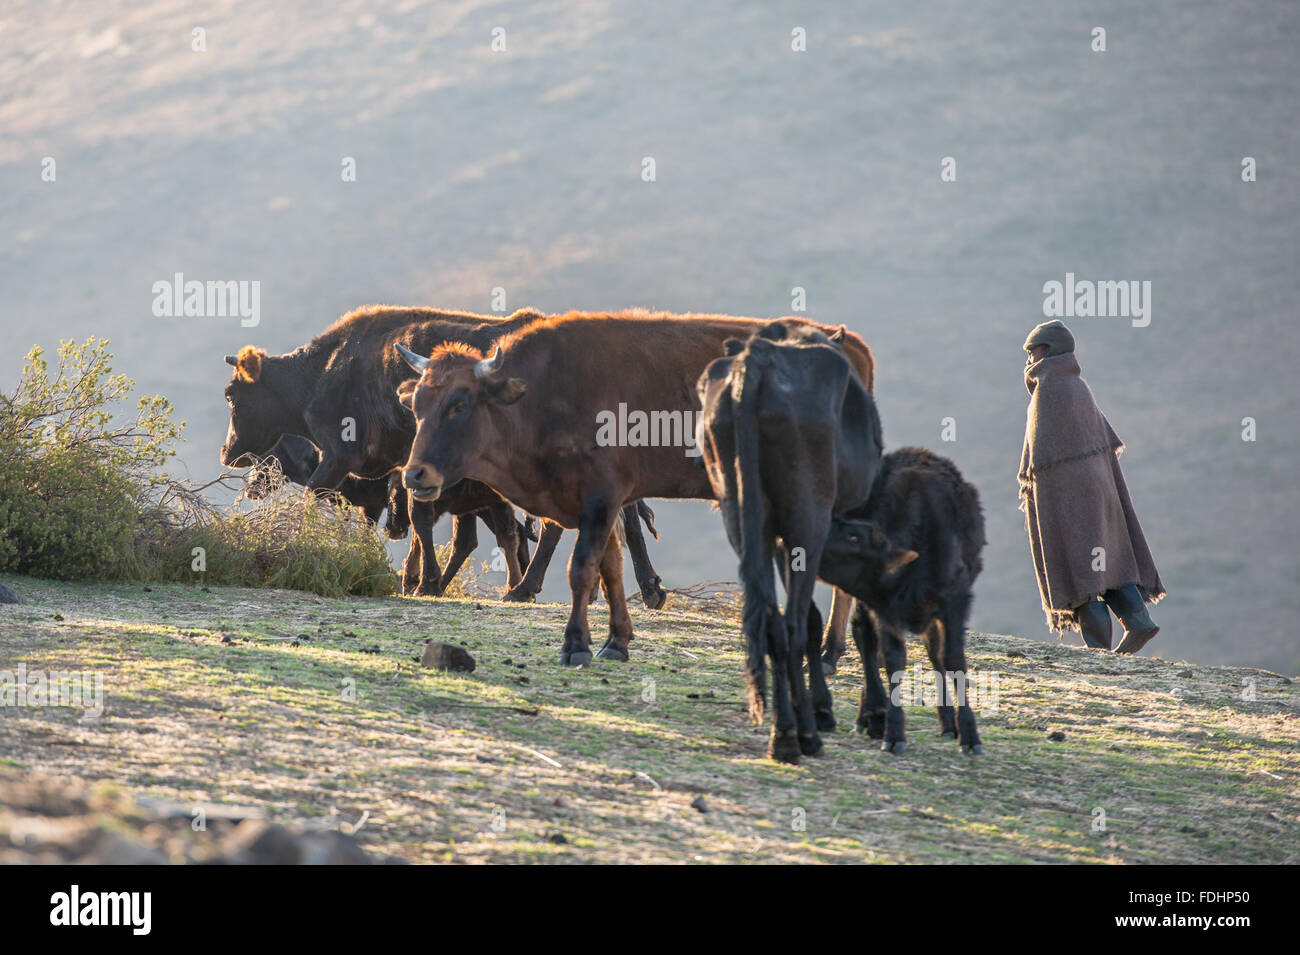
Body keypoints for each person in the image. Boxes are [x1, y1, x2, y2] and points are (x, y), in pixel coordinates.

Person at [1018, 320, 1165, 654]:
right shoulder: (1078, 387)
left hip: (1069, 498)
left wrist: (1041, 501)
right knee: (1108, 562)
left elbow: (1043, 464)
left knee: (1080, 574)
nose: (1028, 362)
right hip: (1099, 492)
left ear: (1047, 351)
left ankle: (1098, 652)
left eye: (1031, 353)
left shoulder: (1049, 388)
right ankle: (1138, 621)